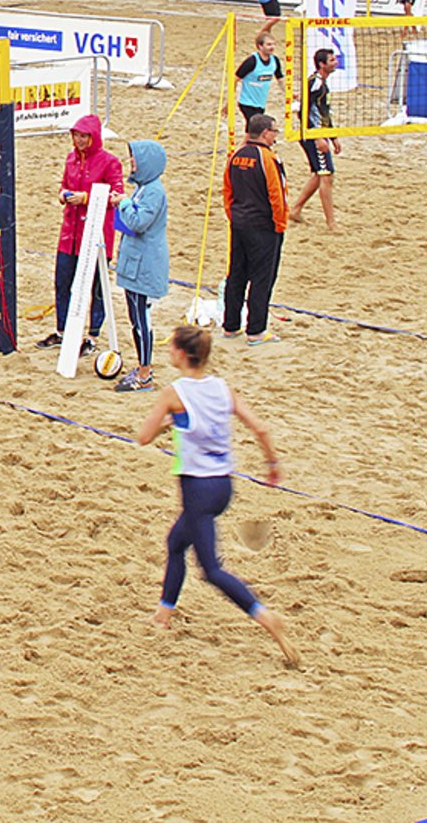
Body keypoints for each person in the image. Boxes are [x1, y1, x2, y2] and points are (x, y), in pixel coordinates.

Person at [135, 325, 299, 667]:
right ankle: (163, 613)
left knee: (211, 569)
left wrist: (167, 421)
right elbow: (260, 427)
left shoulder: (173, 393)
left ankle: (264, 615)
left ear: (181, 354)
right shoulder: (222, 388)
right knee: (176, 542)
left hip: (197, 488)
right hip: (224, 484)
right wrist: (271, 464)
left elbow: (143, 437)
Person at [37, 114, 123, 353]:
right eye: (76, 135)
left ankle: (92, 335)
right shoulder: (71, 159)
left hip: (96, 235)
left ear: (93, 137)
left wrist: (85, 198)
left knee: (96, 288)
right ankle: (62, 331)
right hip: (70, 233)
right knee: (63, 282)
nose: (79, 139)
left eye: (84, 135)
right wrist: (63, 195)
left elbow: (117, 195)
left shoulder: (109, 162)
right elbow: (64, 186)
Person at [222, 113, 288, 345]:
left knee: (236, 275)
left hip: (239, 223)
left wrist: (233, 216)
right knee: (262, 278)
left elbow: (227, 190)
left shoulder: (236, 154)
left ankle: (230, 325)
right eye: (274, 131)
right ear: (265, 133)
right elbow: (277, 195)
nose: (276, 136)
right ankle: (256, 330)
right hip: (263, 226)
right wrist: (280, 225)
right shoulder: (267, 158)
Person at [113, 140, 168, 393]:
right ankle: (142, 366)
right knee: (135, 319)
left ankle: (145, 374)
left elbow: (137, 222)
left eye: (134, 159)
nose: (131, 163)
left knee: (141, 320)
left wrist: (123, 203)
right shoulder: (143, 189)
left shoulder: (154, 191)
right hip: (135, 263)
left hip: (143, 266)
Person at [290, 49, 342, 232]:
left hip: (317, 134)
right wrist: (318, 136)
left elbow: (324, 112)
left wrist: (333, 137)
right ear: (322, 64)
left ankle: (295, 210)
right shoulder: (315, 83)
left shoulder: (322, 83)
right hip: (312, 135)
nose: (335, 62)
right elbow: (303, 111)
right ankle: (331, 223)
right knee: (326, 176)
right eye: (332, 60)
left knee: (319, 174)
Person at [229, 32, 282, 131]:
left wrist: (289, 94)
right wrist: (229, 101)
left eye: (273, 44)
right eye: (269, 44)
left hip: (260, 103)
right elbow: (235, 79)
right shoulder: (252, 61)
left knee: (252, 132)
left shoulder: (275, 61)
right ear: (260, 46)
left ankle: (243, 146)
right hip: (247, 102)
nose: (272, 47)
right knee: (257, 129)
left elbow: (280, 79)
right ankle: (245, 146)